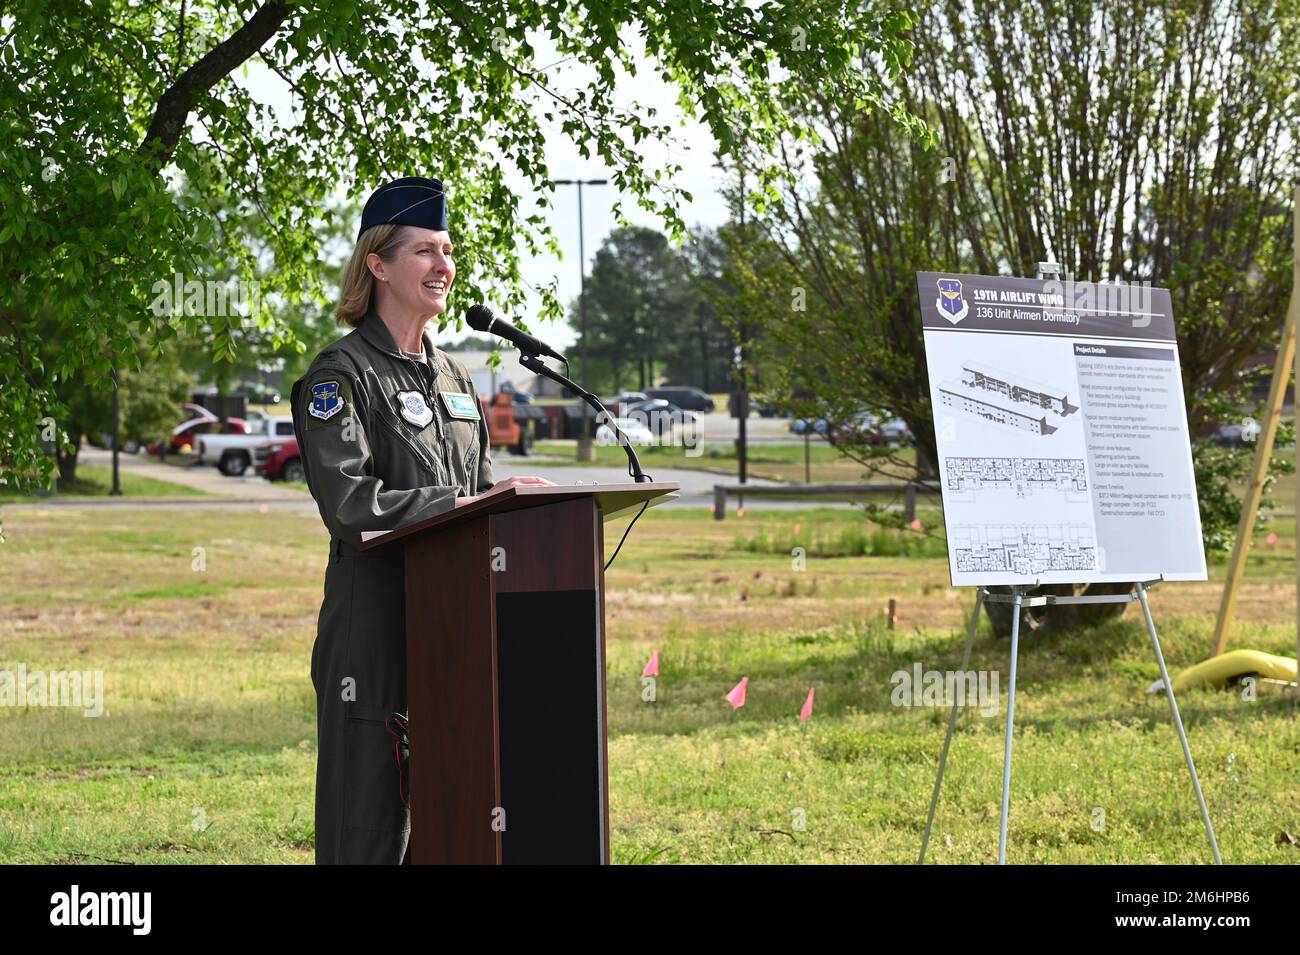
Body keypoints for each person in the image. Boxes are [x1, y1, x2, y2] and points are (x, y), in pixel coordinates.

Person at [290, 176, 553, 864]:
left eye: (448, 250)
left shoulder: (458, 381)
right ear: (377, 263)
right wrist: (457, 506)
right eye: (425, 252)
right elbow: (352, 504)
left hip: (458, 638)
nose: (444, 266)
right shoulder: (338, 377)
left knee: (459, 829)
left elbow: (486, 493)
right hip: (375, 644)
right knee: (368, 835)